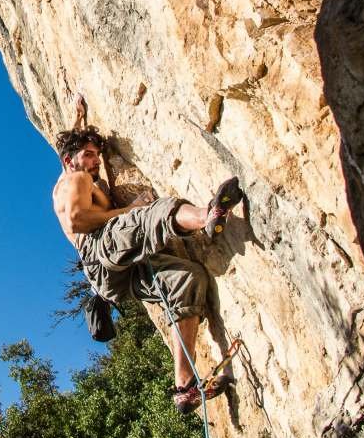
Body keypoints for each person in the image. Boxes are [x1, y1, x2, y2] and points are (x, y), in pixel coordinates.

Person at [51, 96, 244, 414]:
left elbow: (73, 150)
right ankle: (205, 217)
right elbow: (77, 220)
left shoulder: (76, 173)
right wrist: (129, 208)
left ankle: (184, 387)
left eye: (97, 155)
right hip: (100, 250)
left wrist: (79, 116)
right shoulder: (76, 179)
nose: (96, 161)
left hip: (112, 276)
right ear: (70, 161)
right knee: (149, 215)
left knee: (187, 279)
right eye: (90, 155)